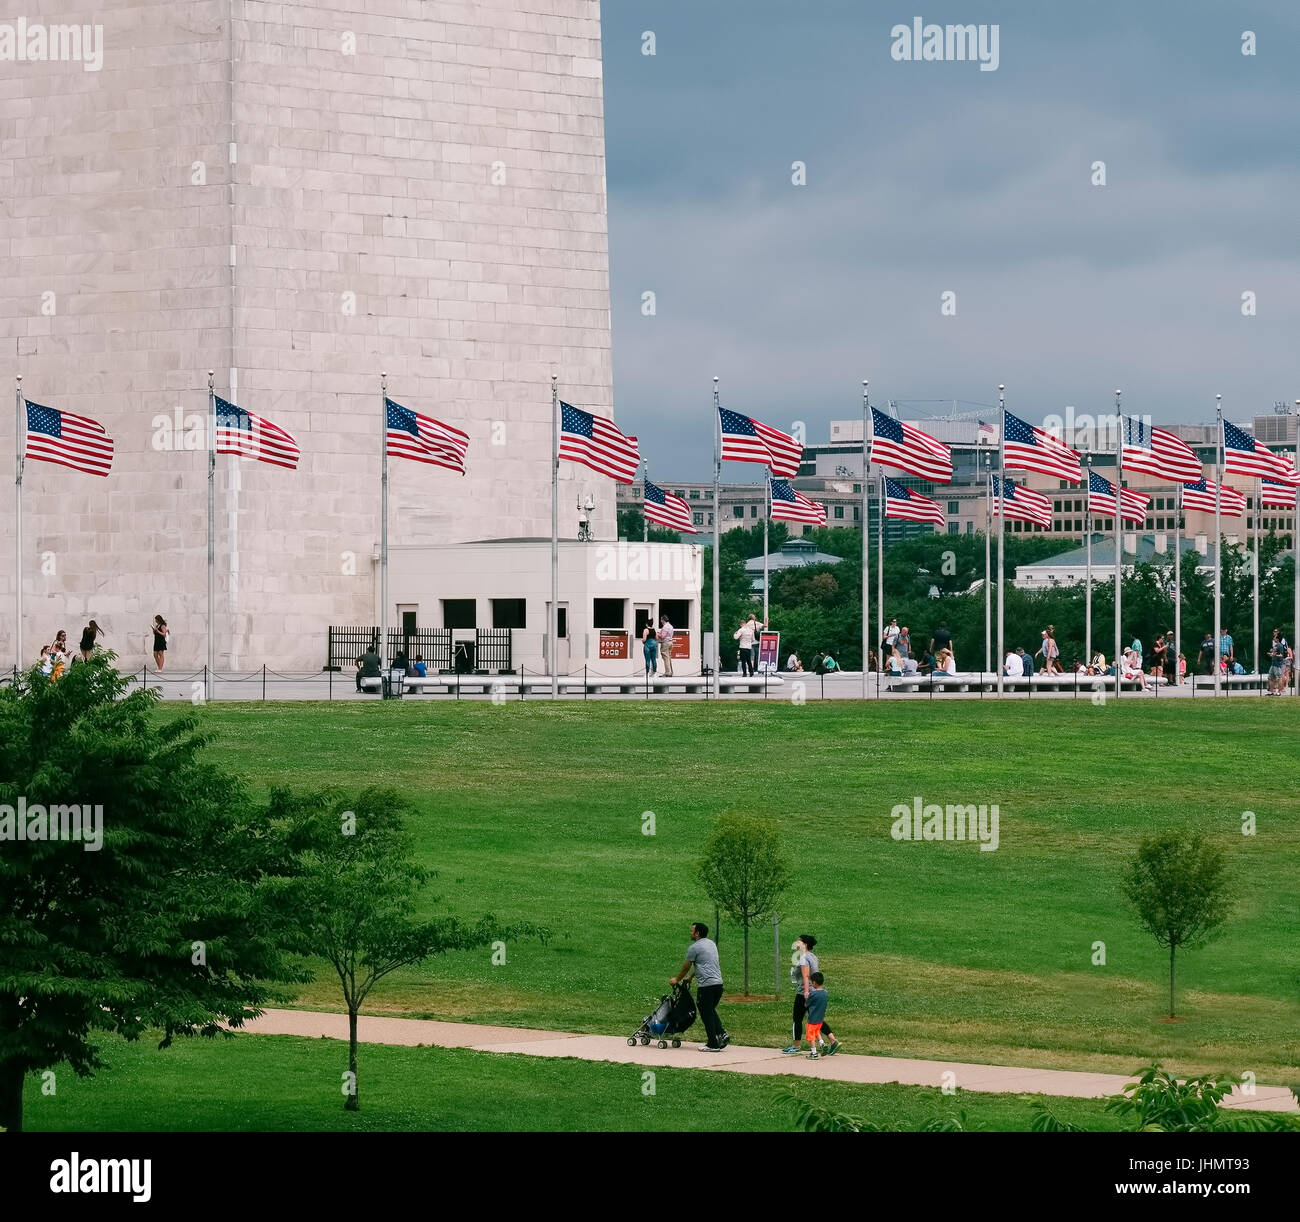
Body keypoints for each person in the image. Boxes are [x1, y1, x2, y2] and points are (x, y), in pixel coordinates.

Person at [671, 922, 728, 1052]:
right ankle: (722, 1035)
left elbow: (686, 966)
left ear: (697, 933)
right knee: (710, 1010)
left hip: (706, 986)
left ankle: (712, 1044)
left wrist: (677, 979)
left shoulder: (694, 948)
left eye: (692, 931)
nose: (690, 933)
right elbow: (704, 964)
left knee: (706, 1013)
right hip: (718, 984)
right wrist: (691, 977)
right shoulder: (711, 944)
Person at [783, 936, 838, 1057]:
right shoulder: (813, 956)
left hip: (804, 992)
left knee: (797, 1018)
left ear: (805, 944)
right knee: (815, 1018)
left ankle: (796, 1045)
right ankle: (832, 1040)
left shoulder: (804, 958)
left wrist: (807, 992)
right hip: (814, 991)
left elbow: (806, 976)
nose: (796, 942)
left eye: (799, 941)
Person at [803, 973, 830, 1059]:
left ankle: (814, 1053)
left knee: (810, 1036)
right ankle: (822, 1044)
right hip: (820, 1018)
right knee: (816, 1032)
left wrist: (807, 997)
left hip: (812, 1019)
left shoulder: (813, 994)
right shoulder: (825, 993)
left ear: (814, 983)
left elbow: (807, 1004)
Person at [1267, 629, 1287, 695]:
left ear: (1277, 639)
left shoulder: (1280, 645)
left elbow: (1281, 655)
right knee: (1270, 678)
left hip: (1277, 665)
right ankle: (1272, 692)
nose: (1274, 638)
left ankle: (1279, 692)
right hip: (1273, 664)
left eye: (1275, 637)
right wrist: (1271, 654)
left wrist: (1275, 655)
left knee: (1279, 678)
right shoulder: (1275, 645)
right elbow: (1274, 653)